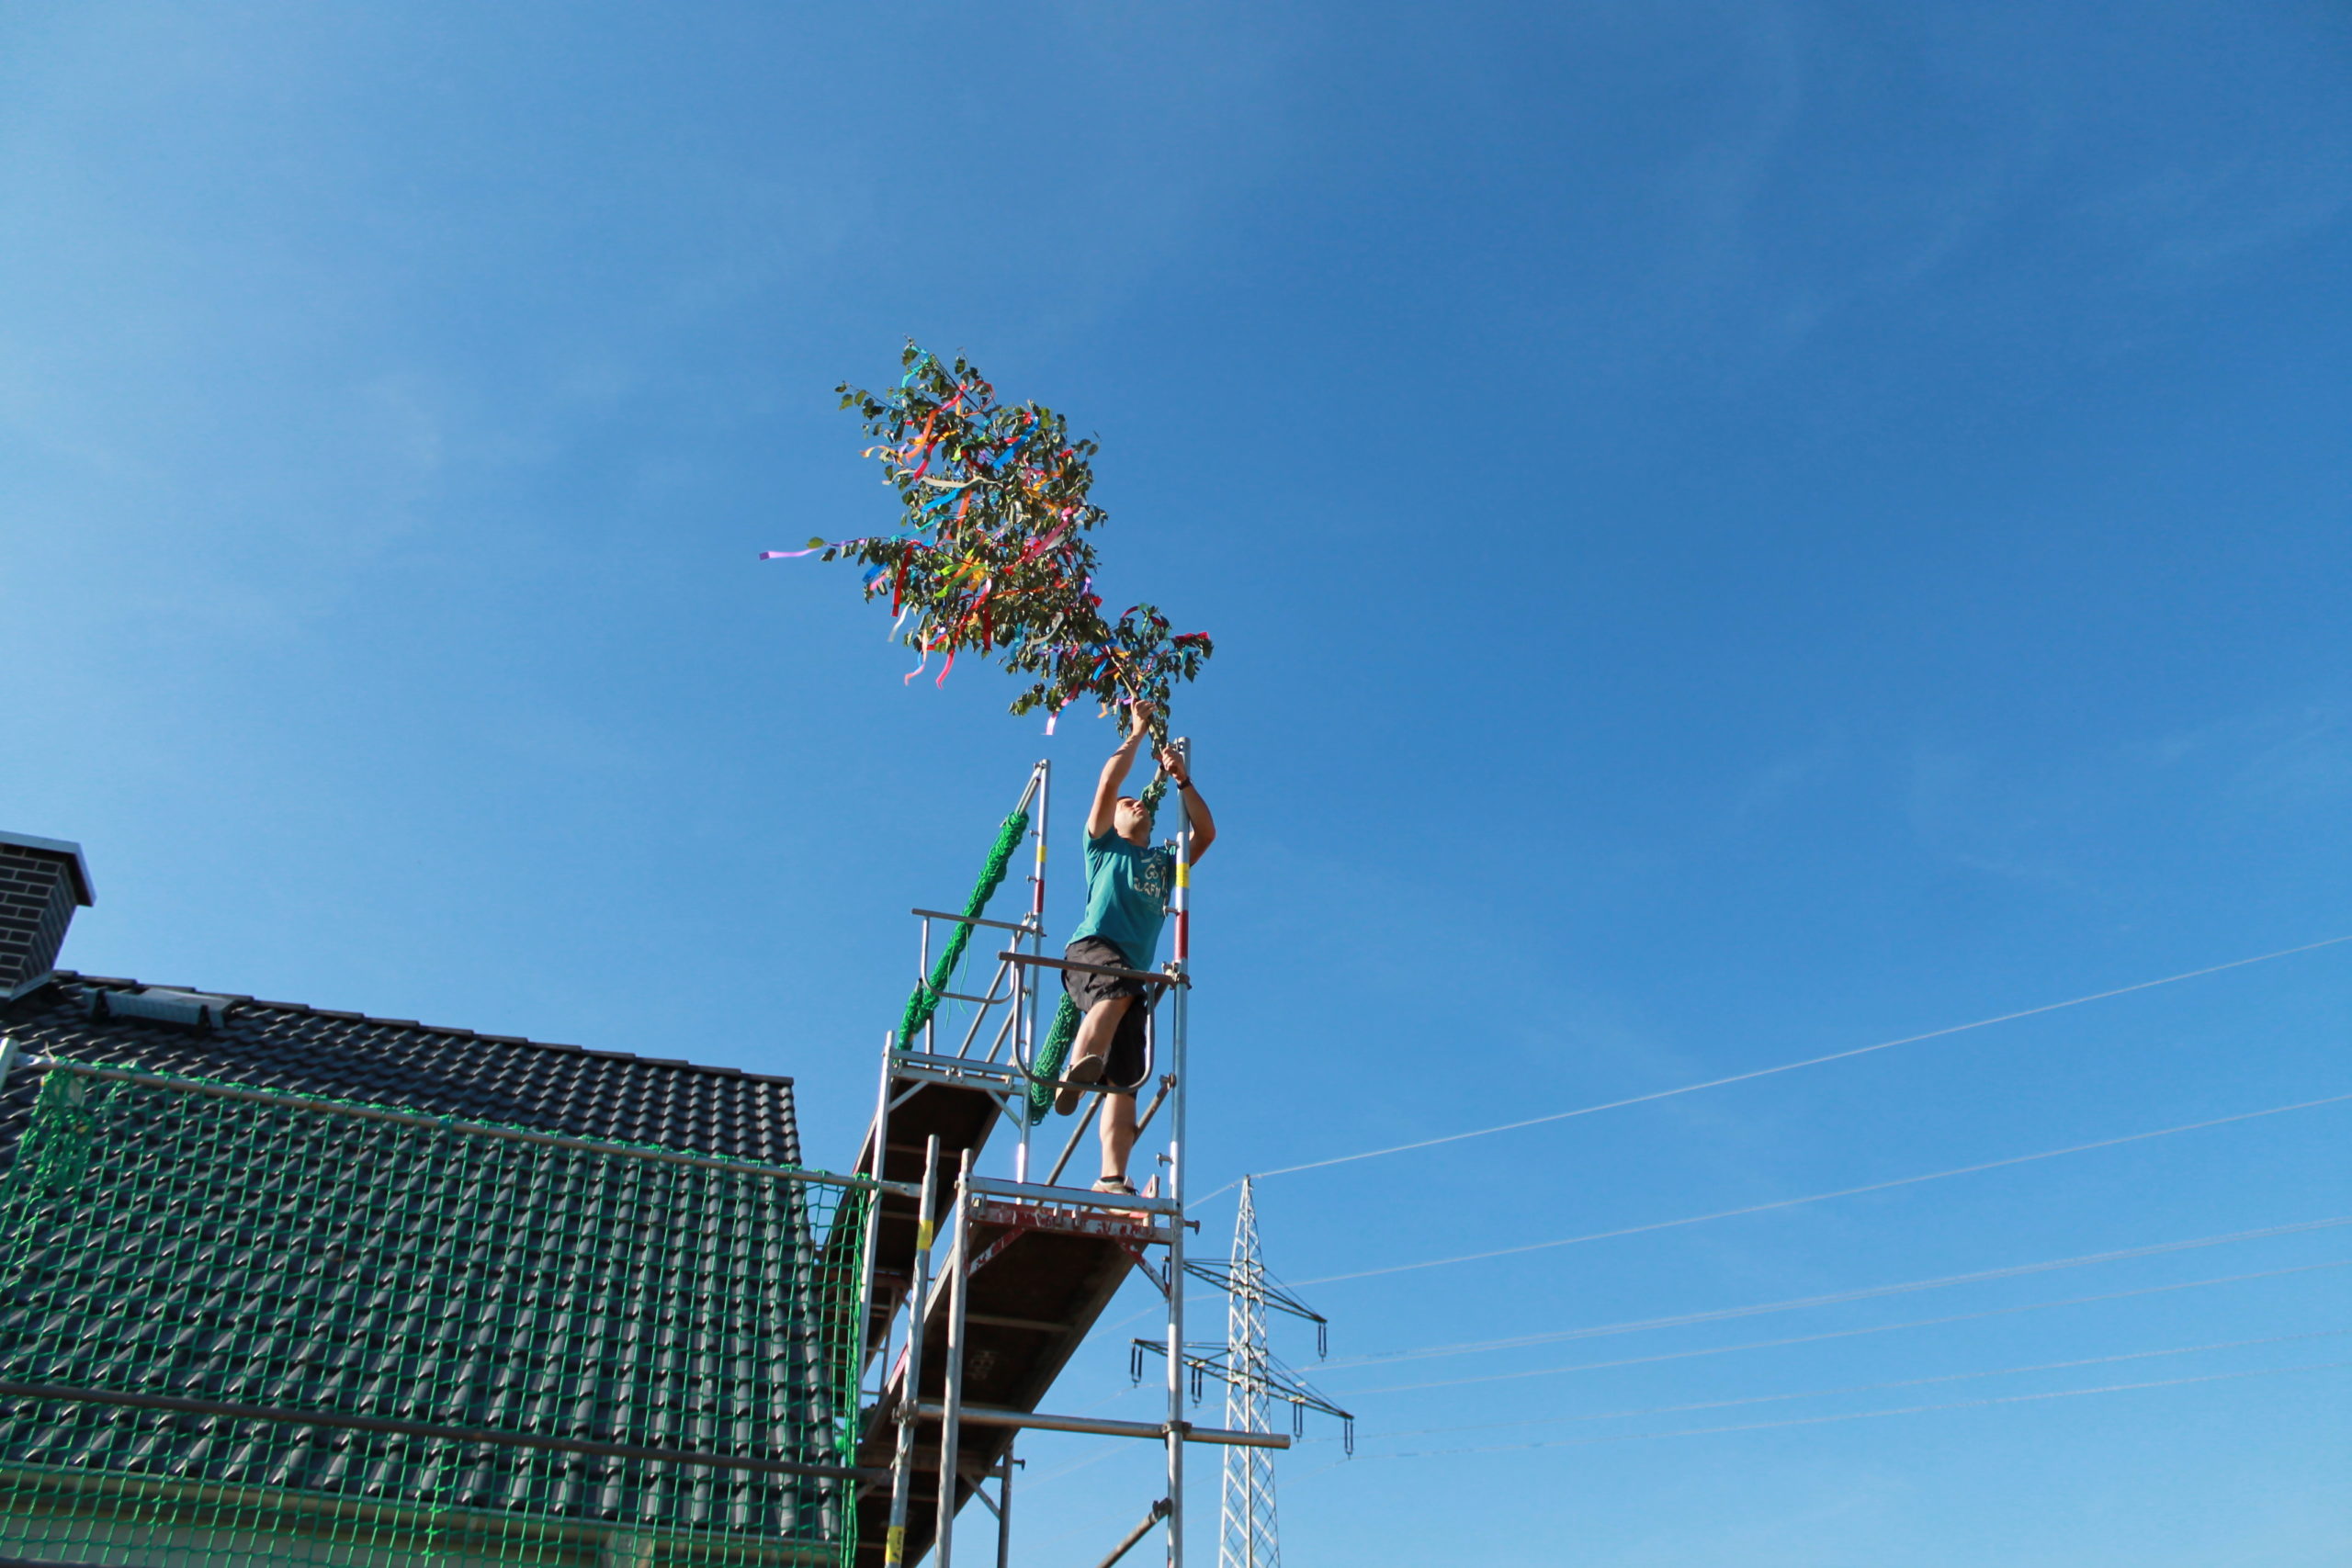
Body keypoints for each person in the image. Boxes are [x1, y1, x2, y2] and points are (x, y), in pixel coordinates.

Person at [1056, 702, 1216, 1196]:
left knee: (1125, 1080)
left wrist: (1183, 780)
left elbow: (1205, 833)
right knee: (1119, 986)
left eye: (1141, 804)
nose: (1136, 805)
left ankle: (1111, 1176)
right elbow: (1108, 783)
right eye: (1130, 804)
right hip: (1092, 950)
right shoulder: (1103, 845)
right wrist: (1137, 730)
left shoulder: (1163, 863)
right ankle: (1077, 1066)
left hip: (1131, 976)